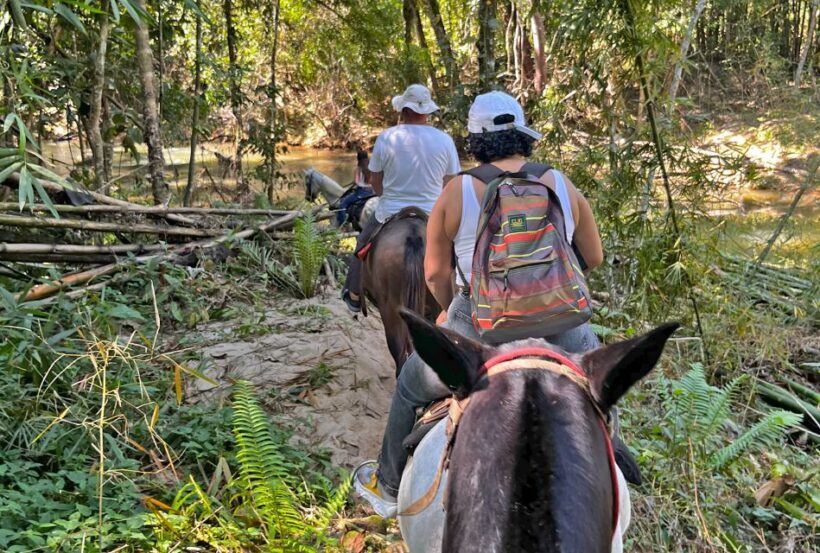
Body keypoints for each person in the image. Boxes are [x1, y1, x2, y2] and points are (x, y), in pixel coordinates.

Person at [353, 91, 605, 518]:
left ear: (474, 139)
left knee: (410, 387)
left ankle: (389, 486)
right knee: (604, 385)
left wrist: (451, 311)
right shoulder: (560, 182)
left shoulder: (457, 192)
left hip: (481, 328)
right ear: (523, 135)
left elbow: (435, 274)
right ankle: (614, 458)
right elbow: (593, 257)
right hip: (564, 329)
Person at [341, 84, 461, 313]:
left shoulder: (387, 138)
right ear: (426, 112)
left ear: (403, 110)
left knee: (362, 243)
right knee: (463, 248)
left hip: (390, 211)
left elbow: (375, 181)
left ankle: (354, 294)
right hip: (433, 212)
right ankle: (468, 299)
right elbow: (450, 184)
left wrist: (386, 197)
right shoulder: (444, 140)